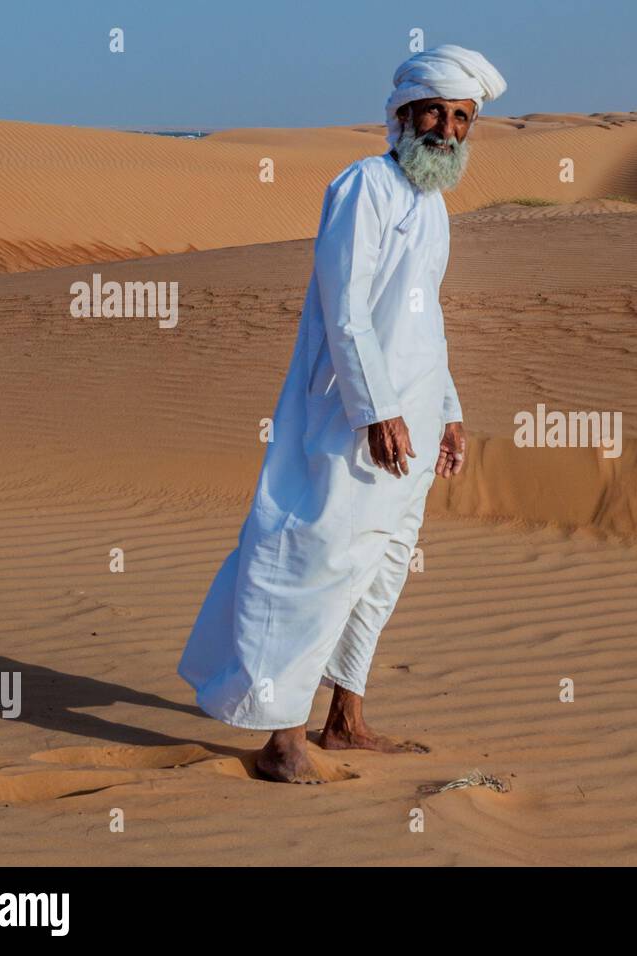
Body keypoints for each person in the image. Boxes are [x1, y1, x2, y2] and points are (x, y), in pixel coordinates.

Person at [178, 45, 507, 783]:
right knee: (316, 559)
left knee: (383, 566)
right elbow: (346, 305)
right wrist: (374, 408)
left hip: (412, 422)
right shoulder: (365, 186)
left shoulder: (432, 207)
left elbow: (426, 323)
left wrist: (447, 411)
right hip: (349, 417)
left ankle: (345, 720)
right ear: (402, 116)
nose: (448, 130)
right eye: (437, 113)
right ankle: (279, 738)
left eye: (462, 119)